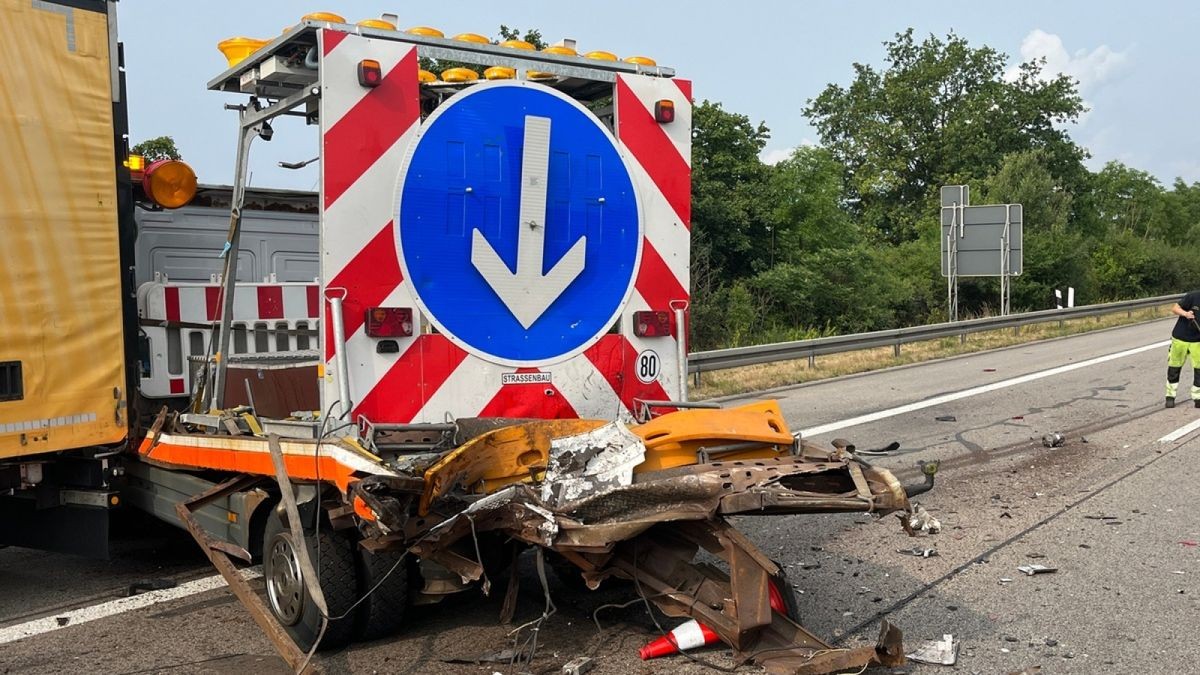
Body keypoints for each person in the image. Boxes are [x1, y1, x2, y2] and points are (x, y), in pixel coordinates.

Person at [1165, 290, 1200, 408]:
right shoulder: (1193, 296)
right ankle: (1170, 396)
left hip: (1197, 341)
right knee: (1174, 367)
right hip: (1180, 338)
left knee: (1199, 370)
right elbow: (1175, 308)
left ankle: (1198, 397)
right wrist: (1186, 314)